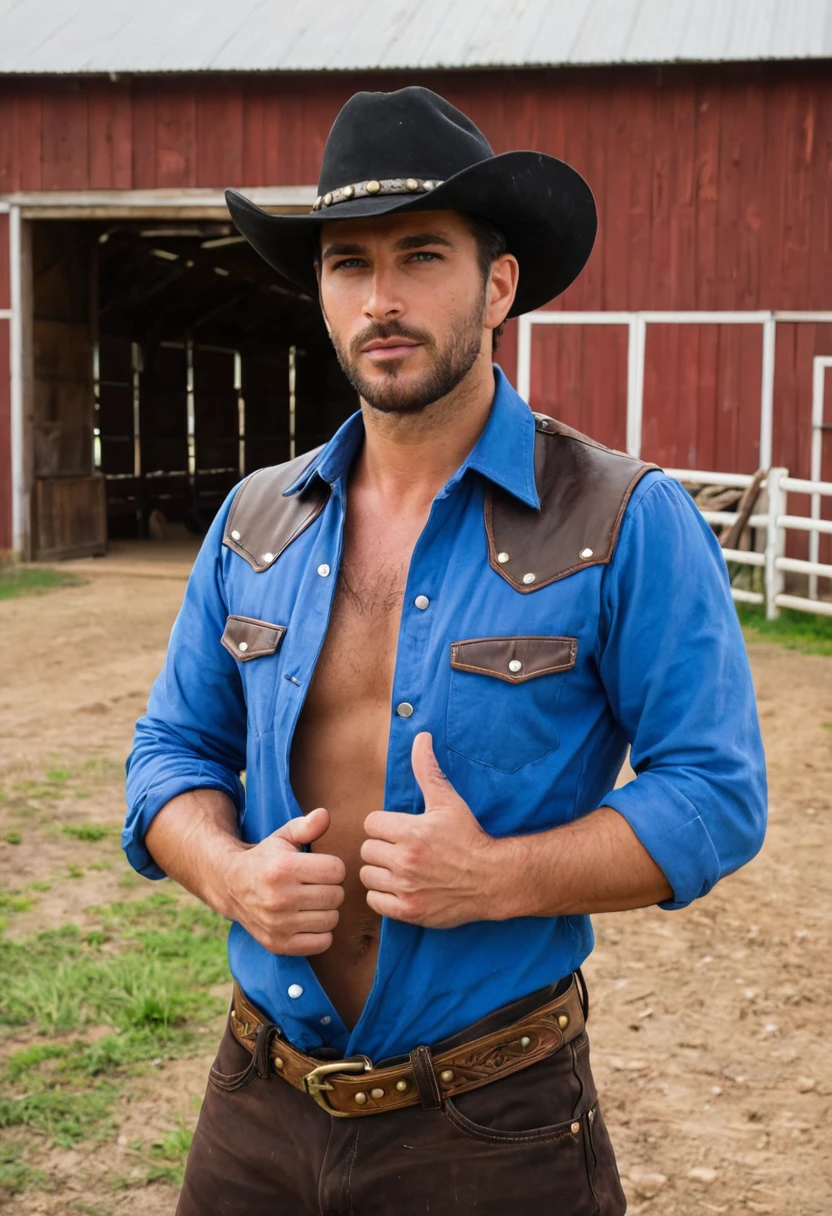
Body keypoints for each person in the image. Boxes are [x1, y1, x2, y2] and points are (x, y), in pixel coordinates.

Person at [123, 86, 767, 1215]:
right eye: (346, 263)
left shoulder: (620, 517)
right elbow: (169, 750)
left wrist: (498, 877)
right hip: (257, 1103)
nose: (381, 299)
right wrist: (232, 875)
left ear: (498, 283)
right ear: (320, 293)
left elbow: (716, 794)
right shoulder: (255, 522)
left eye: (421, 255)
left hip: (493, 1120)